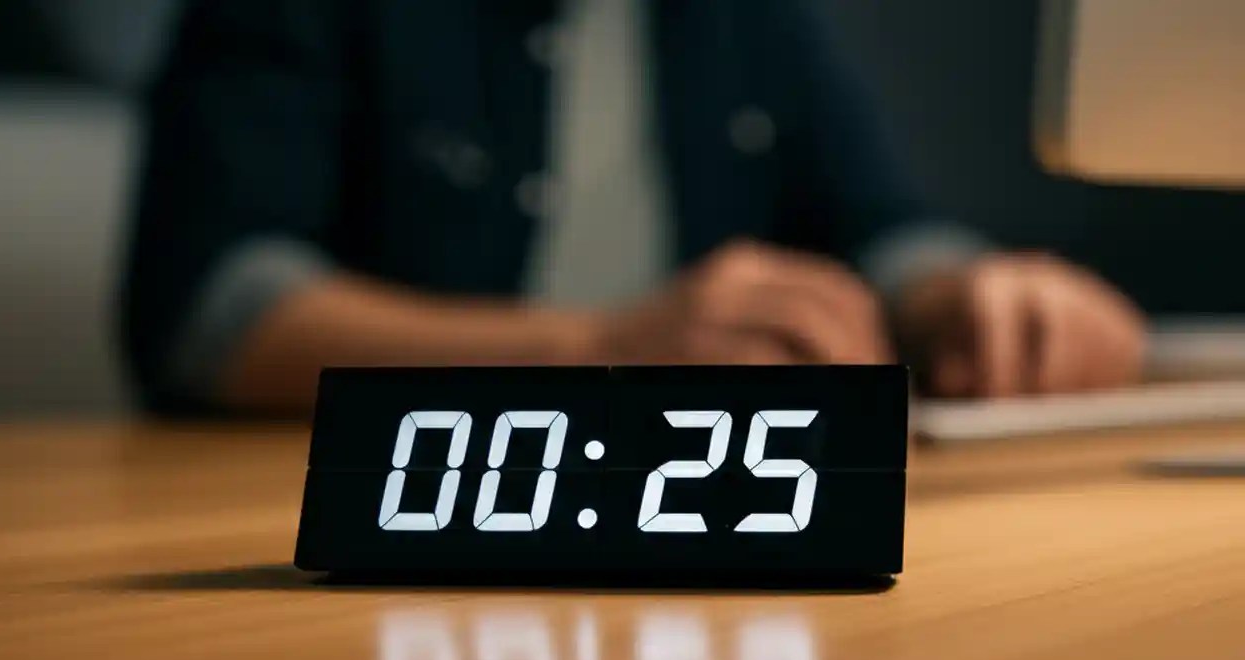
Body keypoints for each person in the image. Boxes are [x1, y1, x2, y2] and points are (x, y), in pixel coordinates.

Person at [122, 0, 1145, 414]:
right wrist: (603, 347)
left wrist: (963, 295)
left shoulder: (738, 17)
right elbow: (215, 308)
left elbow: (878, 224)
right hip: (357, 530)